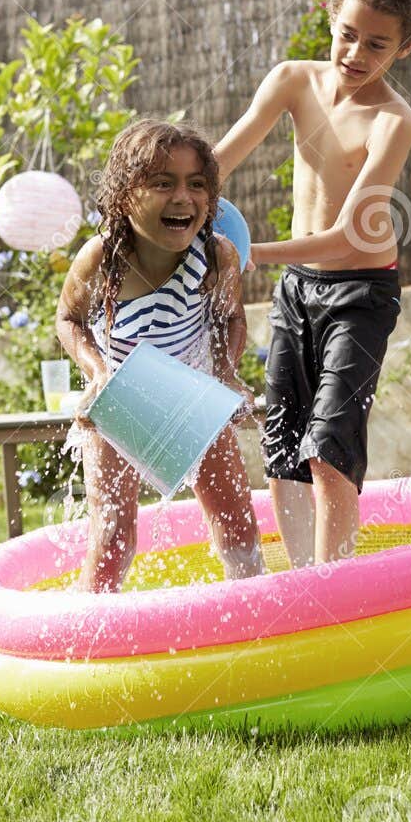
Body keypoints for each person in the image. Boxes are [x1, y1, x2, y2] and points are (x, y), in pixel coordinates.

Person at [214, 0, 411, 566]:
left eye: (377, 45)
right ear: (331, 16)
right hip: (297, 289)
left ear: (404, 49)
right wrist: (170, 200)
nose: (356, 54)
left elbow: (346, 236)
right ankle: (302, 579)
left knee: (328, 442)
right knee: (282, 440)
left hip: (361, 292)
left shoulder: (394, 120)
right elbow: (219, 163)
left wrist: (250, 252)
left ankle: (335, 581)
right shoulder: (291, 81)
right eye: (348, 34)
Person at [55, 120, 263, 592]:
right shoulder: (102, 257)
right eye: (162, 183)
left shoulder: (216, 254)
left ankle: (252, 628)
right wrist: (98, 374)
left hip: (193, 390)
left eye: (197, 185)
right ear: (125, 195)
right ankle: (89, 638)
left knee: (237, 524)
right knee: (112, 537)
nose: (182, 197)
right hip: (122, 394)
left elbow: (231, 318)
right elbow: (69, 319)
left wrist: (226, 374)